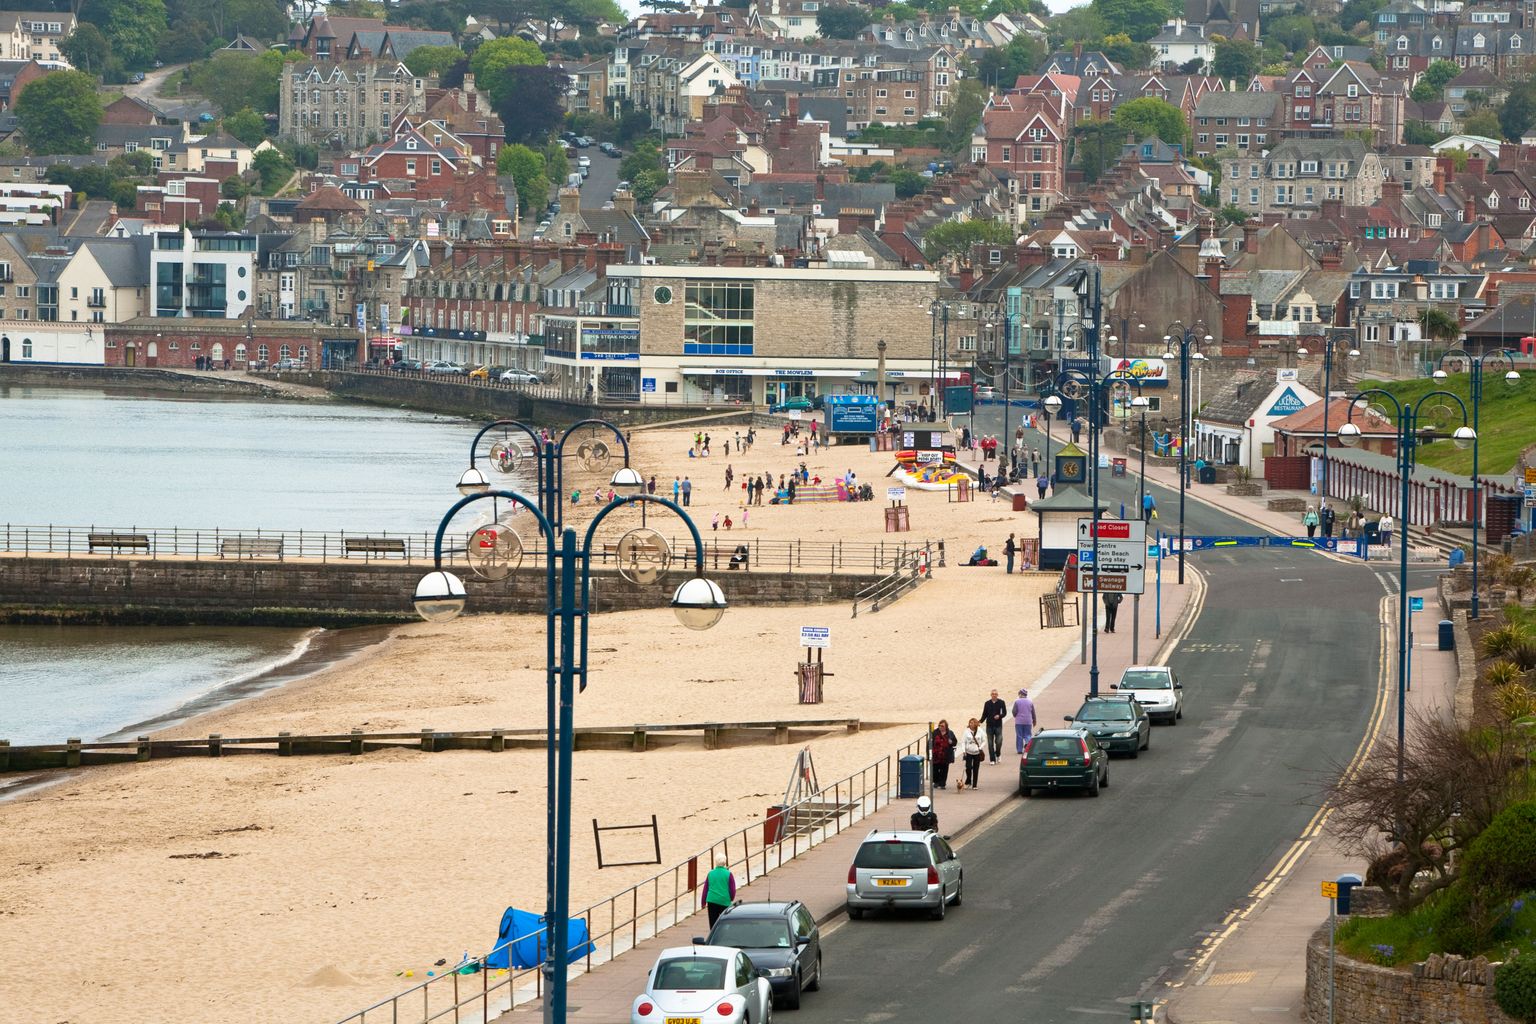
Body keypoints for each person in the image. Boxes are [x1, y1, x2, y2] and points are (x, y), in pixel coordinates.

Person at [702, 855, 736, 926]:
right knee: (726, 922)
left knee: (713, 923)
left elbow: (706, 888)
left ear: (716, 862)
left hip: (712, 900)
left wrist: (703, 902)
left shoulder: (710, 873)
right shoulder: (728, 874)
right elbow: (732, 889)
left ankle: (714, 936)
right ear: (725, 862)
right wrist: (731, 898)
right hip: (724, 900)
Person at [981, 689, 1007, 765]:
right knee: (990, 743)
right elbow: (984, 714)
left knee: (999, 741)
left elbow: (1004, 713)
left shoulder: (1001, 702)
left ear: (997, 695)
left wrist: (999, 716)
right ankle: (992, 759)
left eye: (995, 694)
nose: (994, 695)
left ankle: (998, 754)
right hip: (989, 726)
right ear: (991, 695)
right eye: (992, 694)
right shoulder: (987, 703)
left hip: (998, 725)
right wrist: (980, 721)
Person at [930, 720, 957, 790]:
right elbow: (929, 743)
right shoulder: (935, 732)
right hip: (936, 754)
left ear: (946, 727)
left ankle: (942, 783)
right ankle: (936, 782)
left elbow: (955, 742)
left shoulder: (950, 733)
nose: (940, 727)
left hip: (946, 755)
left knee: (944, 770)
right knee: (935, 769)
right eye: (939, 725)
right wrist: (929, 754)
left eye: (942, 726)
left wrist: (951, 742)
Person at [960, 718, 985, 790]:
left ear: (976, 724)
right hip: (968, 752)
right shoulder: (966, 731)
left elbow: (984, 740)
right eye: (970, 723)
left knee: (976, 768)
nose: (971, 724)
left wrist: (980, 747)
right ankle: (968, 780)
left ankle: (974, 784)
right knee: (968, 767)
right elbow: (963, 742)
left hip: (977, 752)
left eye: (973, 723)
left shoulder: (980, 731)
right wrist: (964, 750)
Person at [1012, 689, 1037, 754]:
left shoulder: (1017, 701)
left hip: (1019, 721)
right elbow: (1033, 712)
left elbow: (1014, 711)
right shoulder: (1030, 702)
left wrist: (1015, 716)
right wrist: (1034, 720)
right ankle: (1028, 745)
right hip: (1028, 721)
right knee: (1028, 734)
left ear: (1020, 694)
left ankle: (1019, 750)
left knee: (1019, 735)